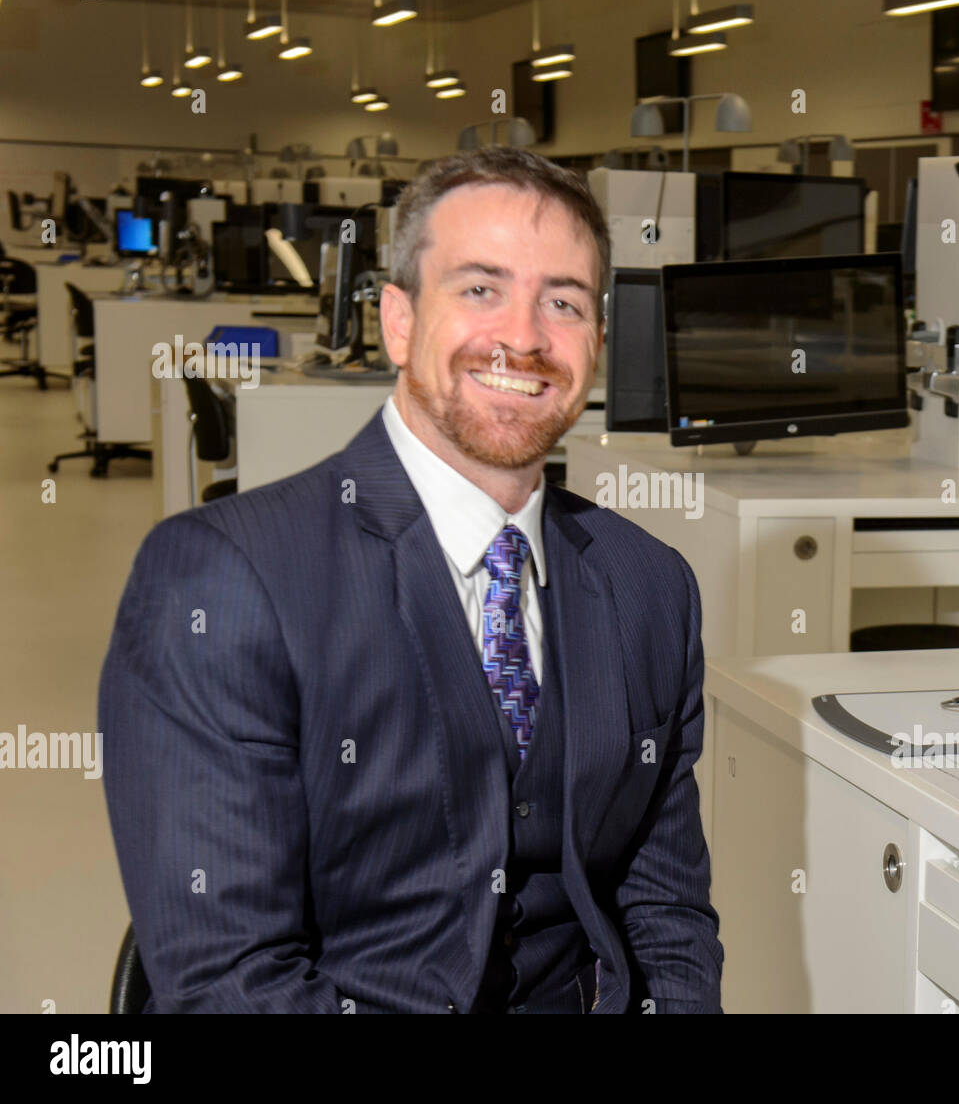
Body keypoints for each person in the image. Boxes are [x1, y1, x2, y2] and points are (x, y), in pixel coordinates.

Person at [99, 146, 723, 1013]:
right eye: (480, 288)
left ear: (598, 342)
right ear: (398, 320)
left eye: (565, 302)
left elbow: (667, 914)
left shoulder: (649, 586)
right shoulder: (221, 580)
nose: (524, 336)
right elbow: (231, 984)